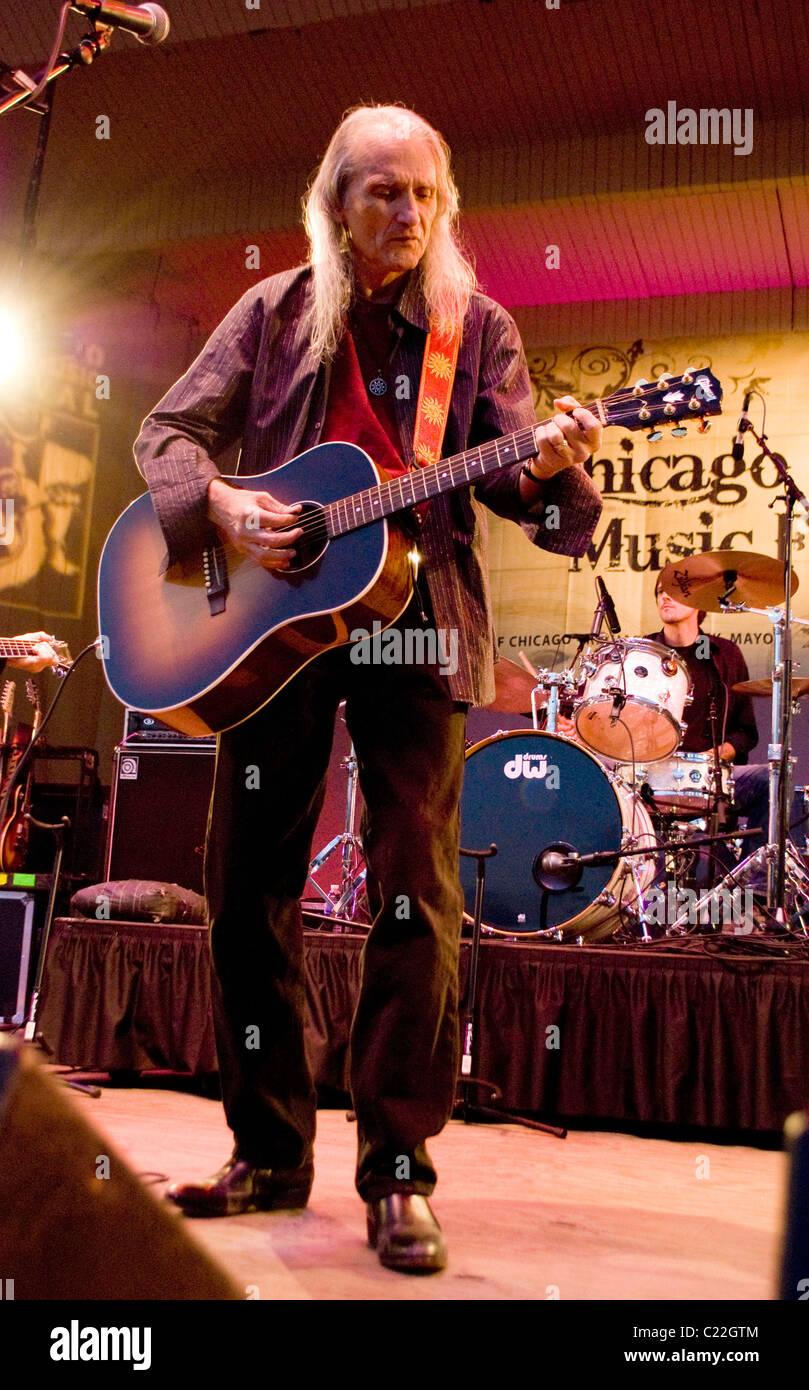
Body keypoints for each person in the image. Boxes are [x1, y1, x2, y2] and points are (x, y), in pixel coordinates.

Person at [133, 104, 603, 1274]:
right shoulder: (273, 313)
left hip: (417, 626)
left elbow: (530, 505)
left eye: (426, 194)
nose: (407, 213)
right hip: (272, 632)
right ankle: (267, 1151)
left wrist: (556, 472)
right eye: (383, 191)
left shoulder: (474, 327)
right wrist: (232, 510)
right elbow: (168, 435)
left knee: (412, 896)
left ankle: (398, 1172)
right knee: (245, 889)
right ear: (334, 199)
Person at [649, 577, 805, 864]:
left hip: (710, 776)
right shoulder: (643, 653)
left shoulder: (722, 654)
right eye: (660, 592)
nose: (664, 598)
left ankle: (756, 884)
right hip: (650, 777)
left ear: (699, 602)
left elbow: (745, 733)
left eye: (673, 592)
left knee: (775, 778)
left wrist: (716, 756)